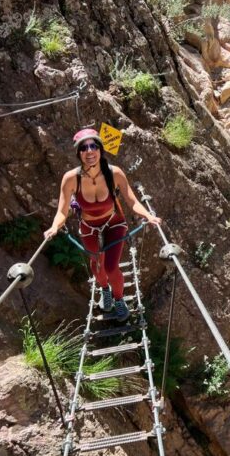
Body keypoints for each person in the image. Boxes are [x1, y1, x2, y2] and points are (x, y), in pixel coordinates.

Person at [44, 128, 161, 321]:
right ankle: (104, 289)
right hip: (89, 227)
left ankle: (118, 299)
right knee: (97, 267)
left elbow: (132, 201)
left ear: (100, 149)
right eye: (84, 148)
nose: (89, 151)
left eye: (93, 146)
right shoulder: (71, 179)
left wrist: (148, 215)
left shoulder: (115, 173)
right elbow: (62, 211)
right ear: (78, 153)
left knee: (111, 267)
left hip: (114, 222)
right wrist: (54, 227)